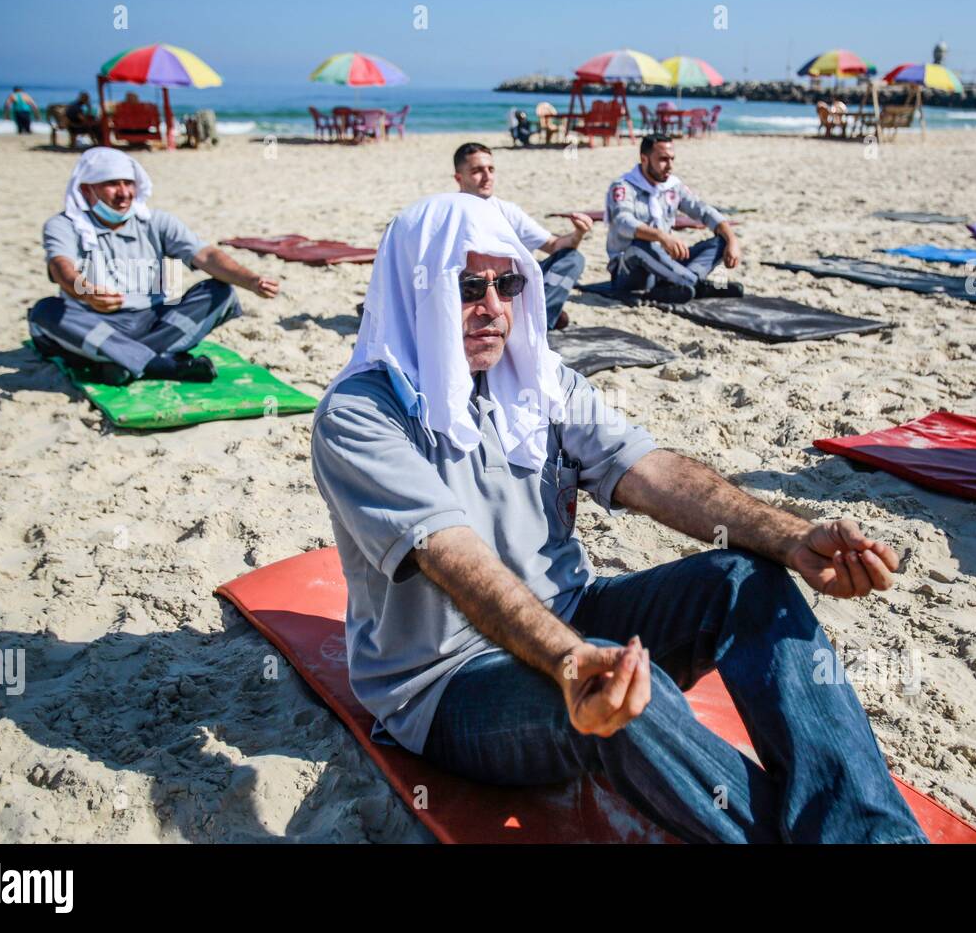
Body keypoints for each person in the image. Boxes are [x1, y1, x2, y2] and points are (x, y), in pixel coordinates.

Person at [310, 192, 926, 844]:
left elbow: (651, 473)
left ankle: (870, 834)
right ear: (417, 293)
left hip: (574, 611)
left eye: (508, 282)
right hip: (451, 682)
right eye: (468, 287)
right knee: (618, 677)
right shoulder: (360, 416)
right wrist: (569, 660)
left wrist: (792, 538)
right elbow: (454, 559)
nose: (493, 306)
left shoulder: (536, 380)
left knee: (749, 580)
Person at [28, 147, 279, 386]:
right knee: (45, 312)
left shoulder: (156, 221)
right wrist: (87, 292)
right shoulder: (63, 225)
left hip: (154, 320)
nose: (124, 192)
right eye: (112, 184)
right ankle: (159, 365)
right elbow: (62, 267)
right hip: (96, 321)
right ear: (86, 190)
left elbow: (207, 256)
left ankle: (121, 360)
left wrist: (252, 280)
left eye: (129, 183)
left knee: (221, 292)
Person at [453, 141, 589, 330]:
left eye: (491, 169)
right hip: (475, 289)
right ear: (459, 178)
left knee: (573, 259)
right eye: (477, 171)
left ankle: (539, 322)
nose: (487, 177)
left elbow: (553, 245)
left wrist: (578, 233)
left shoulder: (507, 210)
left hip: (512, 285)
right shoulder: (451, 213)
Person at [605, 133, 742, 302]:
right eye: (663, 159)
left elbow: (704, 211)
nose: (670, 166)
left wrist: (732, 240)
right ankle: (696, 284)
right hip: (632, 272)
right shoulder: (624, 186)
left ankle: (681, 283)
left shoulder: (672, 186)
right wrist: (661, 236)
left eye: (672, 159)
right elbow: (622, 222)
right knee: (641, 245)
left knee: (721, 240)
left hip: (666, 263)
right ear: (644, 159)